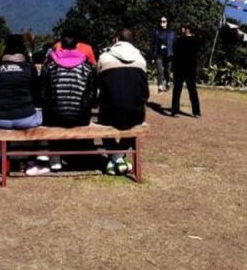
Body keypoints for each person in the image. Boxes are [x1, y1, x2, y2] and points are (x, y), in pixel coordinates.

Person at [41, 31, 96, 171]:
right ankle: (81, 156)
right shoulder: (86, 64)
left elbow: (44, 90)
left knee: (49, 114)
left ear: (60, 45)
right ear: (77, 45)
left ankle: (55, 158)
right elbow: (91, 92)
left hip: (55, 116)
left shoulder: (50, 62)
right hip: (80, 117)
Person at [97, 29, 149, 175]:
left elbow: (99, 88)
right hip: (135, 115)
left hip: (110, 114)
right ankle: (120, 157)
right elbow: (145, 94)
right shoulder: (141, 59)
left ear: (116, 40)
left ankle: (114, 156)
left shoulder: (104, 57)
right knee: (136, 118)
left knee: (102, 118)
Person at [171, 24, 201, 118]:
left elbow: (174, 55)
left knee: (177, 90)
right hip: (190, 69)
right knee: (192, 91)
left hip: (179, 68)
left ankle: (175, 111)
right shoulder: (196, 41)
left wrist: (173, 67)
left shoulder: (179, 40)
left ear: (187, 30)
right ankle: (196, 112)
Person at [150, 16, 175, 93]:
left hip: (168, 55)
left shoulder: (171, 32)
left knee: (167, 71)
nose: (162, 23)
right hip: (158, 54)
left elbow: (174, 44)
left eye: (164, 21)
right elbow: (153, 44)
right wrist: (152, 56)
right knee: (160, 71)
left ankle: (168, 83)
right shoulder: (156, 32)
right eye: (161, 21)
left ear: (167, 22)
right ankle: (160, 86)